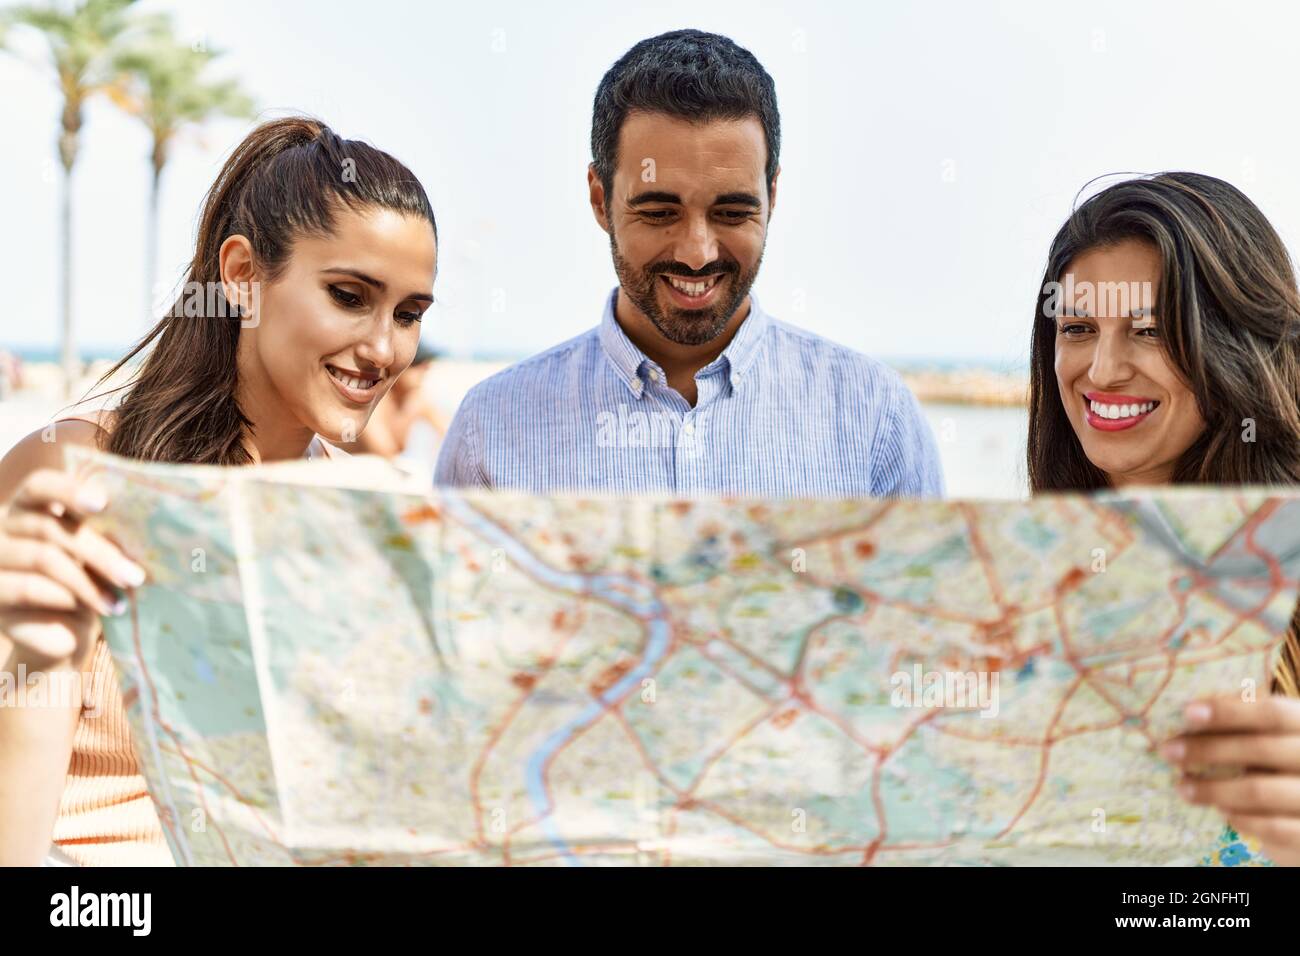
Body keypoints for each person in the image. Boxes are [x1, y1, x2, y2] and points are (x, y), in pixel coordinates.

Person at [0, 116, 438, 865]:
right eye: (348, 295)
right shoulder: (78, 476)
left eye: (408, 315)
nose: (383, 348)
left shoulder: (367, 518)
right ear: (241, 277)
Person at [436, 29, 943, 498]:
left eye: (731, 212)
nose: (697, 253)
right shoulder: (492, 429)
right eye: (659, 212)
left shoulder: (876, 418)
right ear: (599, 198)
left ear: (772, 196)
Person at [1028, 171, 1300, 865]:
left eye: (1148, 330)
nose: (1104, 369)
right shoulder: (1015, 590)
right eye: (1079, 329)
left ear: (1233, 344)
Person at [339, 344, 448, 475]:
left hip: (381, 474)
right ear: (396, 366)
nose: (426, 368)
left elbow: (449, 433)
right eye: (418, 364)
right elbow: (384, 451)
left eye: (427, 364)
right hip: (346, 471)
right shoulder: (372, 398)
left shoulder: (416, 400)